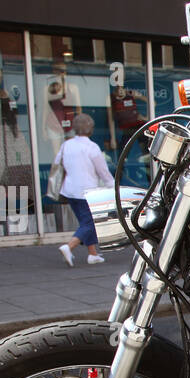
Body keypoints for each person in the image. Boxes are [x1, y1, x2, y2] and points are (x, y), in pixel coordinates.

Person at [55, 112, 113, 266]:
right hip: (88, 191)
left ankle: (92, 254)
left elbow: (58, 163)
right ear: (91, 129)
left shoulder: (66, 144)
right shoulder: (92, 147)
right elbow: (103, 171)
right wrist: (112, 186)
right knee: (91, 223)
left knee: (84, 222)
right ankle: (69, 247)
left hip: (69, 190)